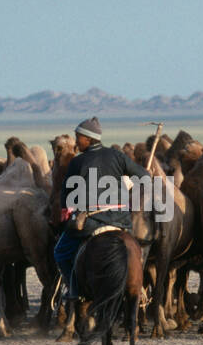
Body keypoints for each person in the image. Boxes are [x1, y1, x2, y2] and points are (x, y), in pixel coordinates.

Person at [53, 117, 150, 307]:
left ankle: (74, 290)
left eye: (78, 137)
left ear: (88, 139)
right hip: (121, 221)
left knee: (61, 252)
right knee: (137, 252)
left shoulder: (77, 162)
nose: (76, 141)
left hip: (91, 223)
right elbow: (144, 176)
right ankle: (140, 289)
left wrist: (67, 212)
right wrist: (128, 184)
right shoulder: (117, 156)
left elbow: (66, 196)